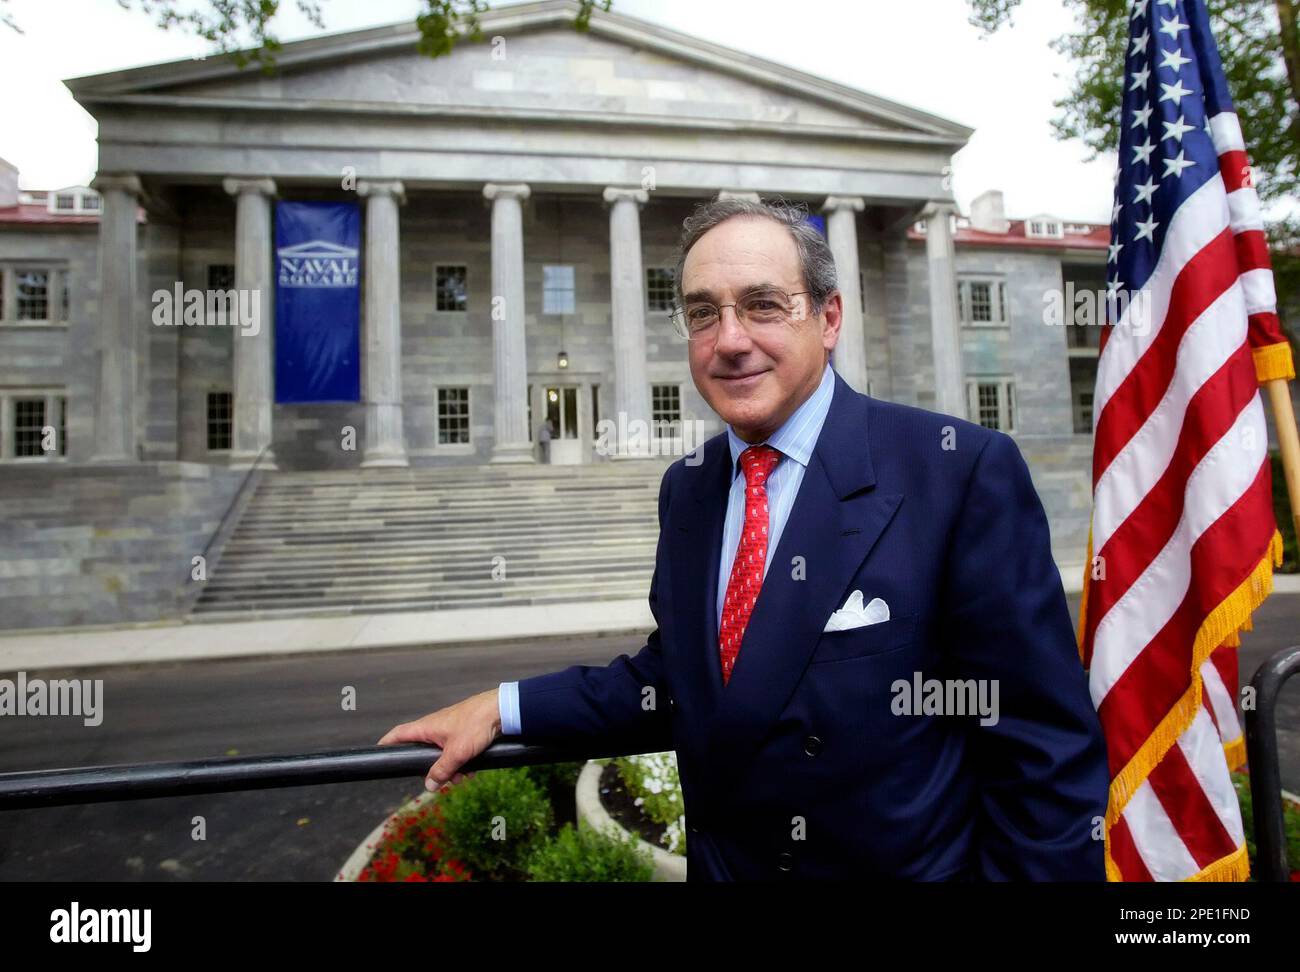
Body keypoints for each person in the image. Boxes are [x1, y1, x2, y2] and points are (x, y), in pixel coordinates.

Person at [379, 197, 1109, 881]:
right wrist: (502, 708)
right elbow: (682, 681)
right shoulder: (690, 487)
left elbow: (1043, 749)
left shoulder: (955, 471)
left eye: (763, 305)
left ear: (828, 318)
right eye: (703, 314)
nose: (730, 341)